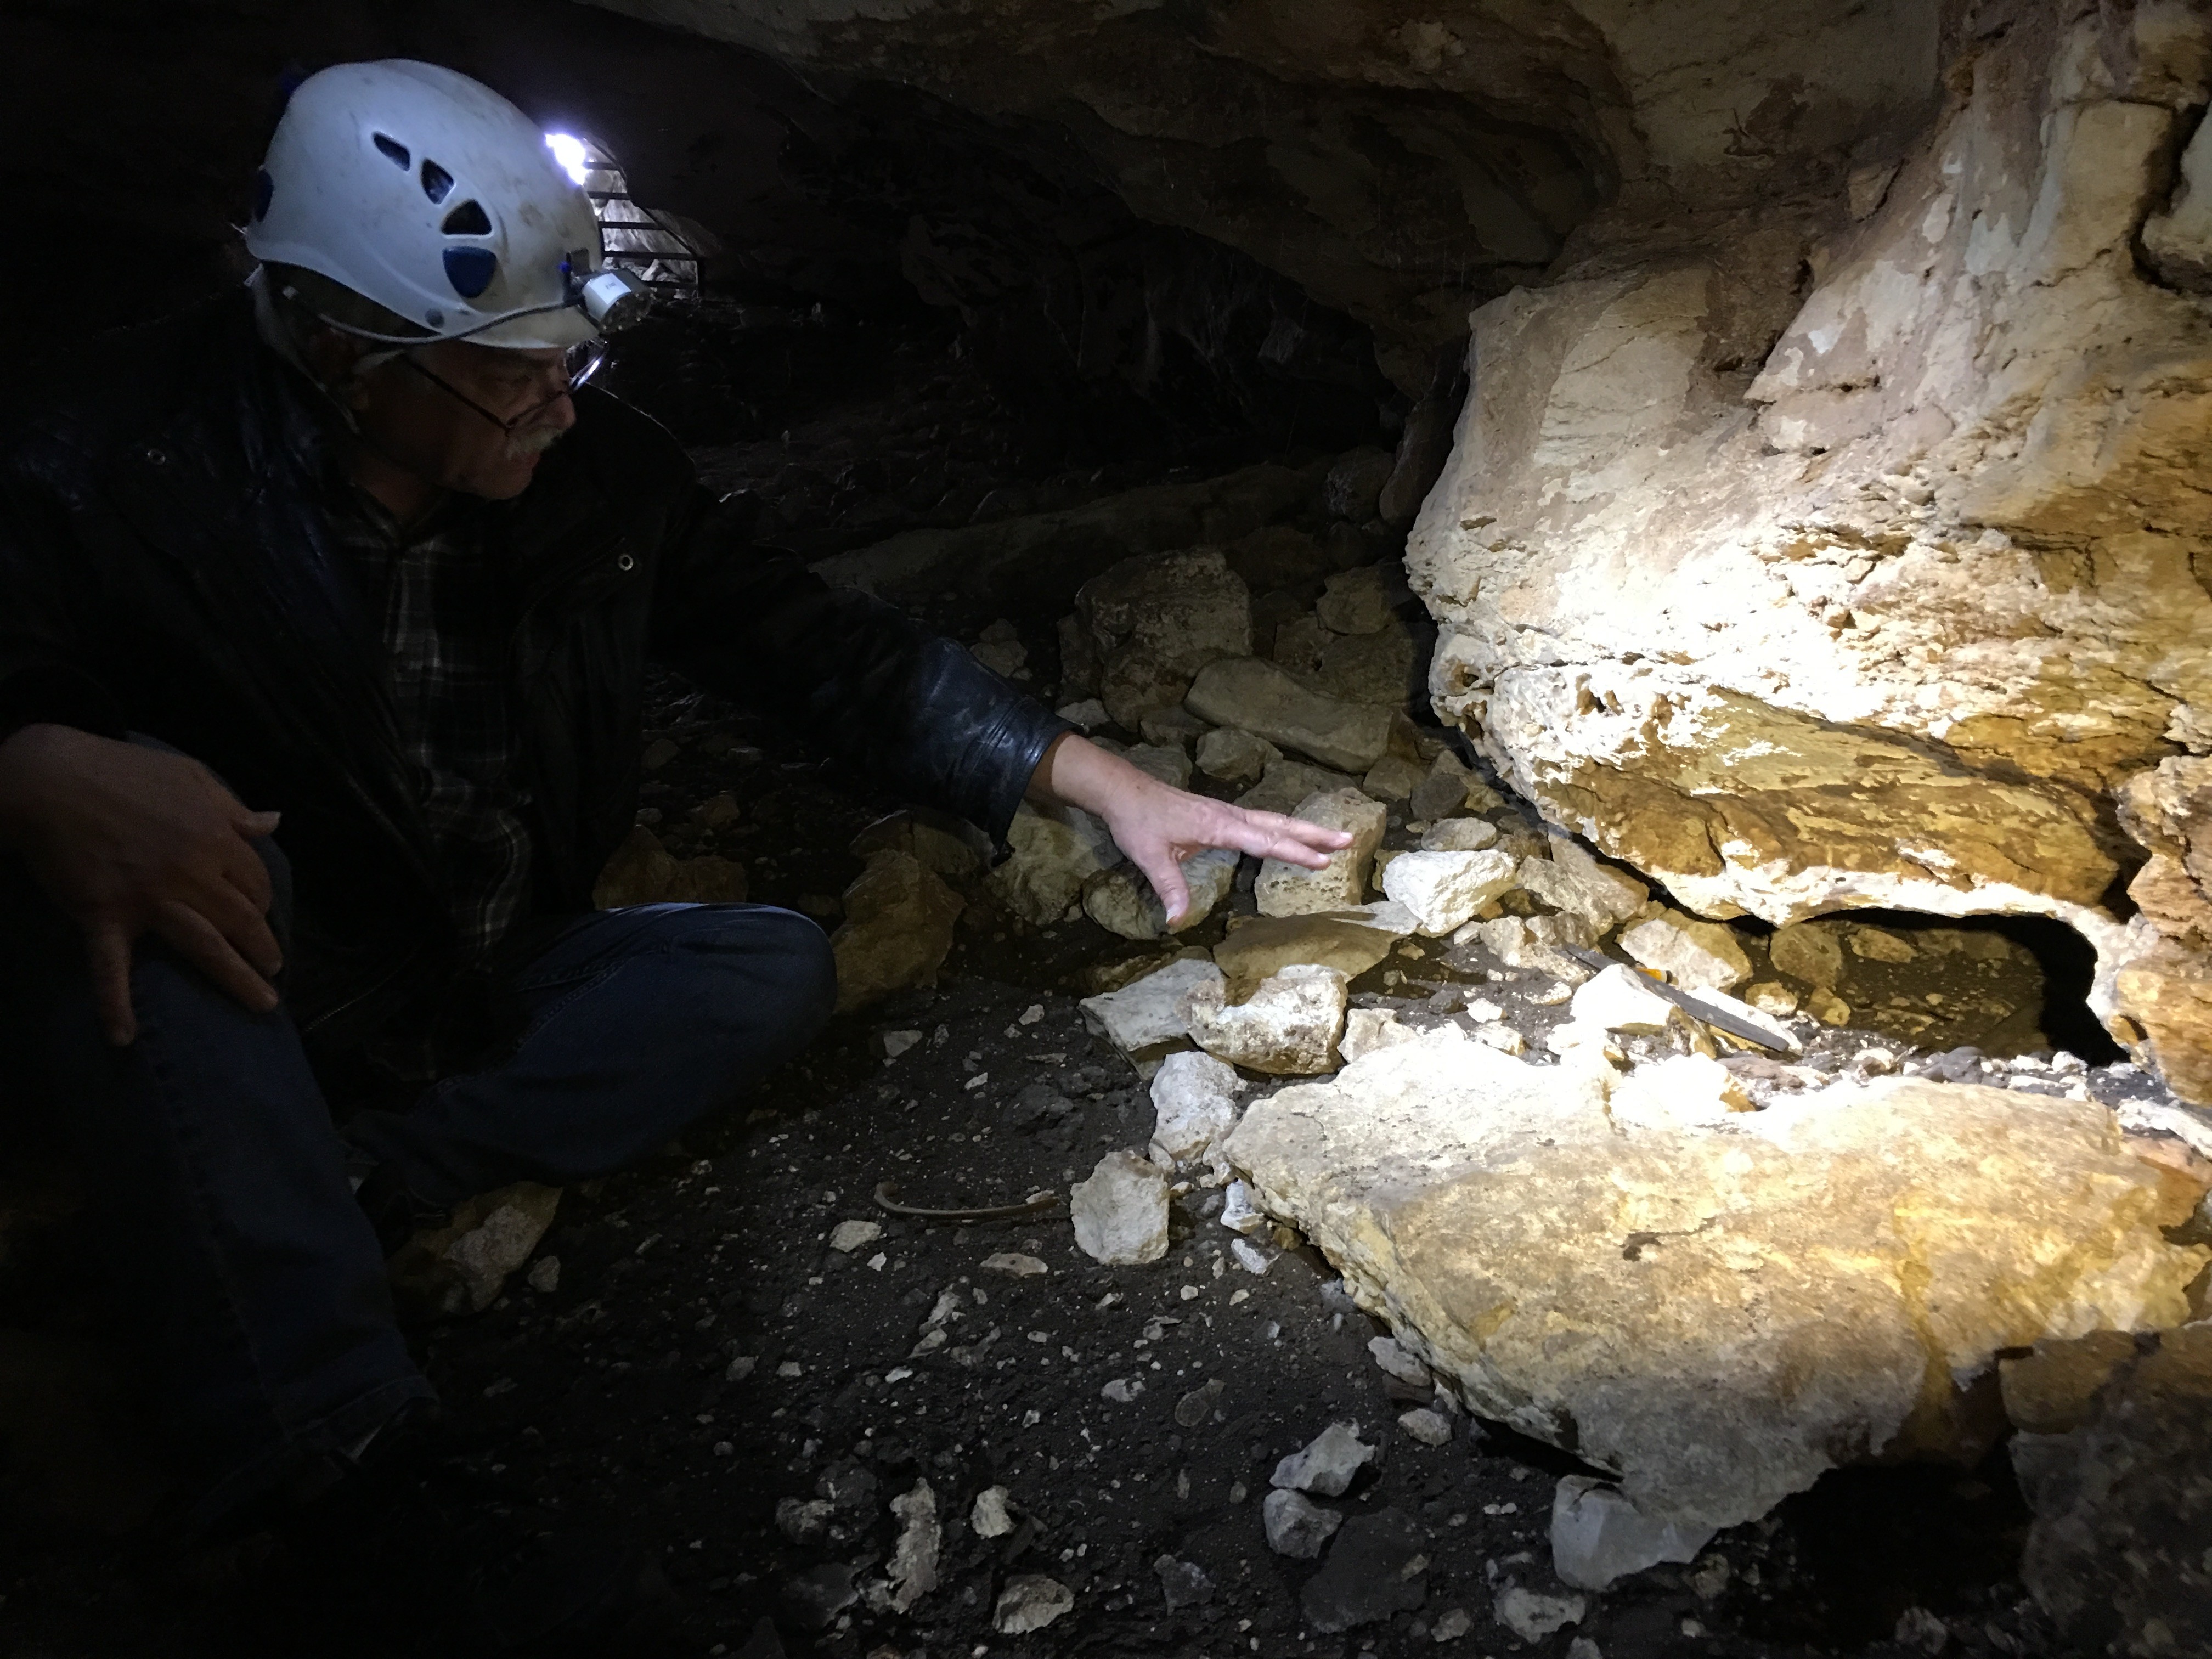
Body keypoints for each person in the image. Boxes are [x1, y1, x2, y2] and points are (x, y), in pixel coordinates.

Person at [0, 57, 1347, 1634]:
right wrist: (29, 762)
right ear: (343, 350)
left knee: (759, 966)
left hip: (469, 965)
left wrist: (1078, 774)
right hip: (271, 965)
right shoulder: (107, 458)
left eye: (573, 355)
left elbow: (814, 647)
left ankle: (340, 1185)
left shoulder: (593, 472)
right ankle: (324, 1455)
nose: (561, 399)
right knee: (172, 842)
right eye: (511, 369)